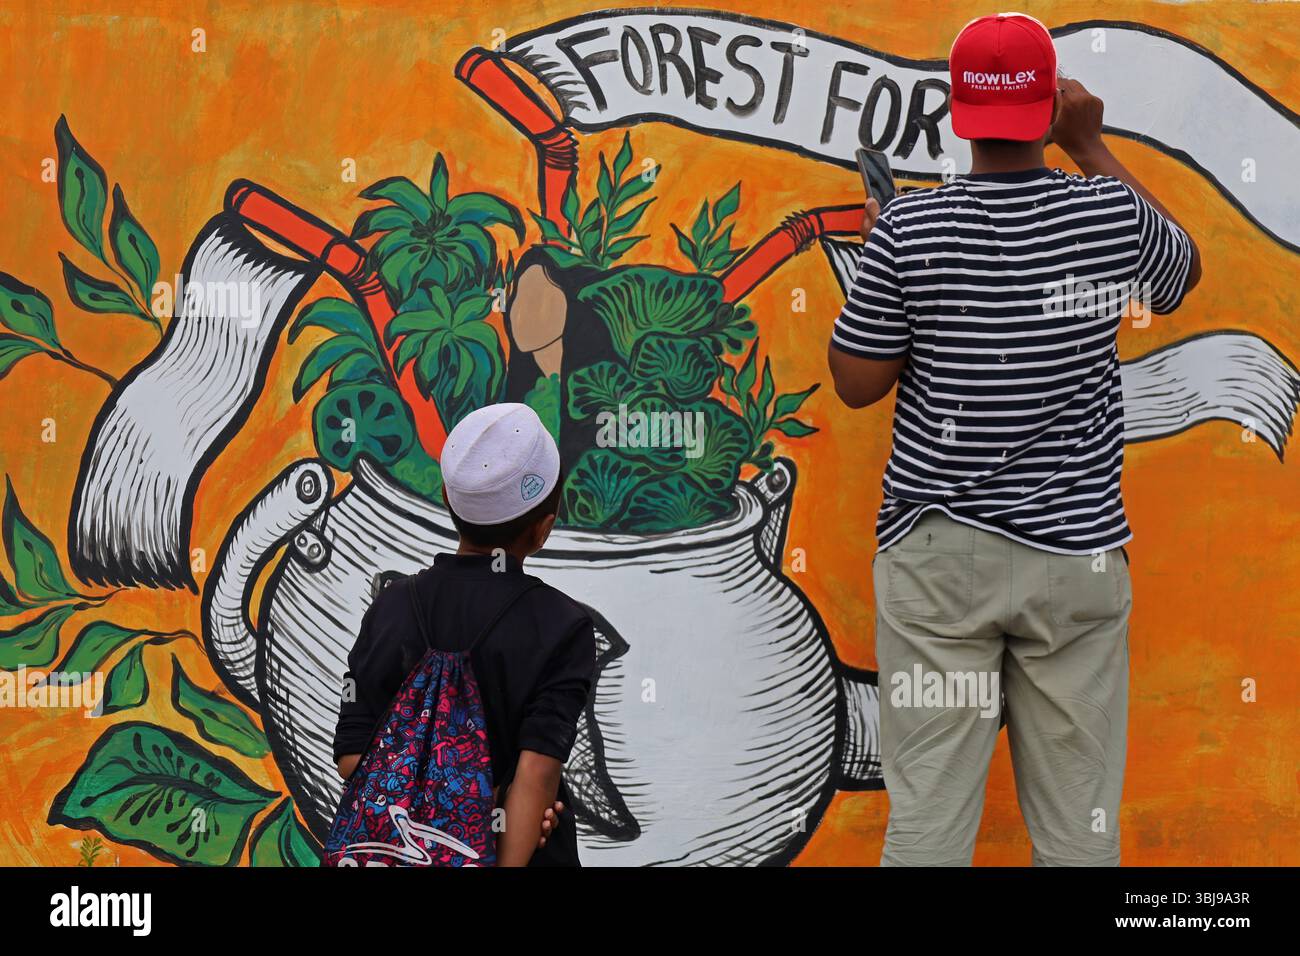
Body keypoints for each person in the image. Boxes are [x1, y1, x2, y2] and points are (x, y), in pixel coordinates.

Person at [828, 12, 1199, 866]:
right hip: (1077, 560)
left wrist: (895, 266)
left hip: (939, 565)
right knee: (1079, 834)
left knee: (927, 825)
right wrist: (1093, 145)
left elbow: (858, 384)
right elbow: (1180, 272)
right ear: (1049, 112)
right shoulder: (1107, 212)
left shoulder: (911, 229)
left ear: (958, 115)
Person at [332, 403, 596, 866]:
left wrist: (446, 805)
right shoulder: (561, 627)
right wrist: (489, 812)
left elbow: (354, 760)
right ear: (544, 528)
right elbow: (533, 784)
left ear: (448, 499)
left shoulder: (390, 605)